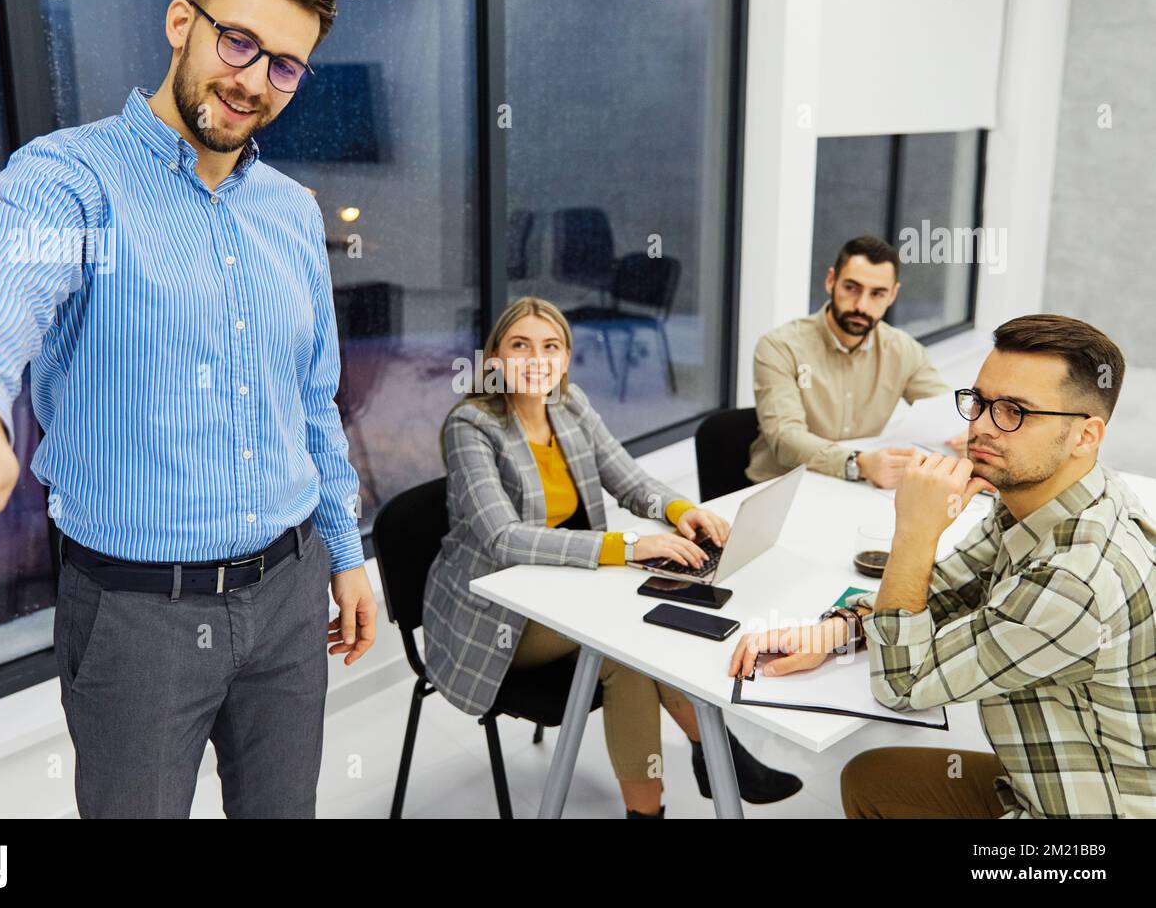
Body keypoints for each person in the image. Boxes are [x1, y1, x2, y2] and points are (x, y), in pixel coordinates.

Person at [0, 0, 376, 817]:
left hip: (293, 594)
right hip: (139, 616)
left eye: (286, 66)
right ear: (182, 23)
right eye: (239, 43)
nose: (255, 80)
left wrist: (345, 554)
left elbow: (313, 405)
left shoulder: (292, 214)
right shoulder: (73, 179)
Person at [729, 314, 1156, 818]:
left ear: (1085, 435)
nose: (980, 427)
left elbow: (902, 685)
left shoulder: (1077, 581)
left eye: (1014, 412)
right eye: (980, 402)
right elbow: (952, 590)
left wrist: (914, 531)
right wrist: (838, 631)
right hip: (1048, 784)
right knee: (872, 780)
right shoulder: (1059, 495)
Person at [424, 297, 802, 817]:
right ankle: (716, 761)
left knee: (642, 638)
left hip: (565, 585)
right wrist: (627, 547)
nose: (537, 358)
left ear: (566, 358)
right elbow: (503, 539)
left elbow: (627, 477)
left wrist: (677, 508)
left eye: (551, 346)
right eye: (521, 346)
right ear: (494, 360)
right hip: (494, 611)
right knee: (627, 650)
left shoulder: (570, 404)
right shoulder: (471, 426)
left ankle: (700, 770)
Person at [746, 234, 962, 488]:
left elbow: (946, 412)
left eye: (877, 294)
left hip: (856, 489)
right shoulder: (779, 347)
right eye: (851, 288)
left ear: (892, 295)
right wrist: (859, 463)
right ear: (831, 281)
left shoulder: (904, 350)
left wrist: (968, 436)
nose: (861, 305)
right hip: (784, 488)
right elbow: (786, 439)